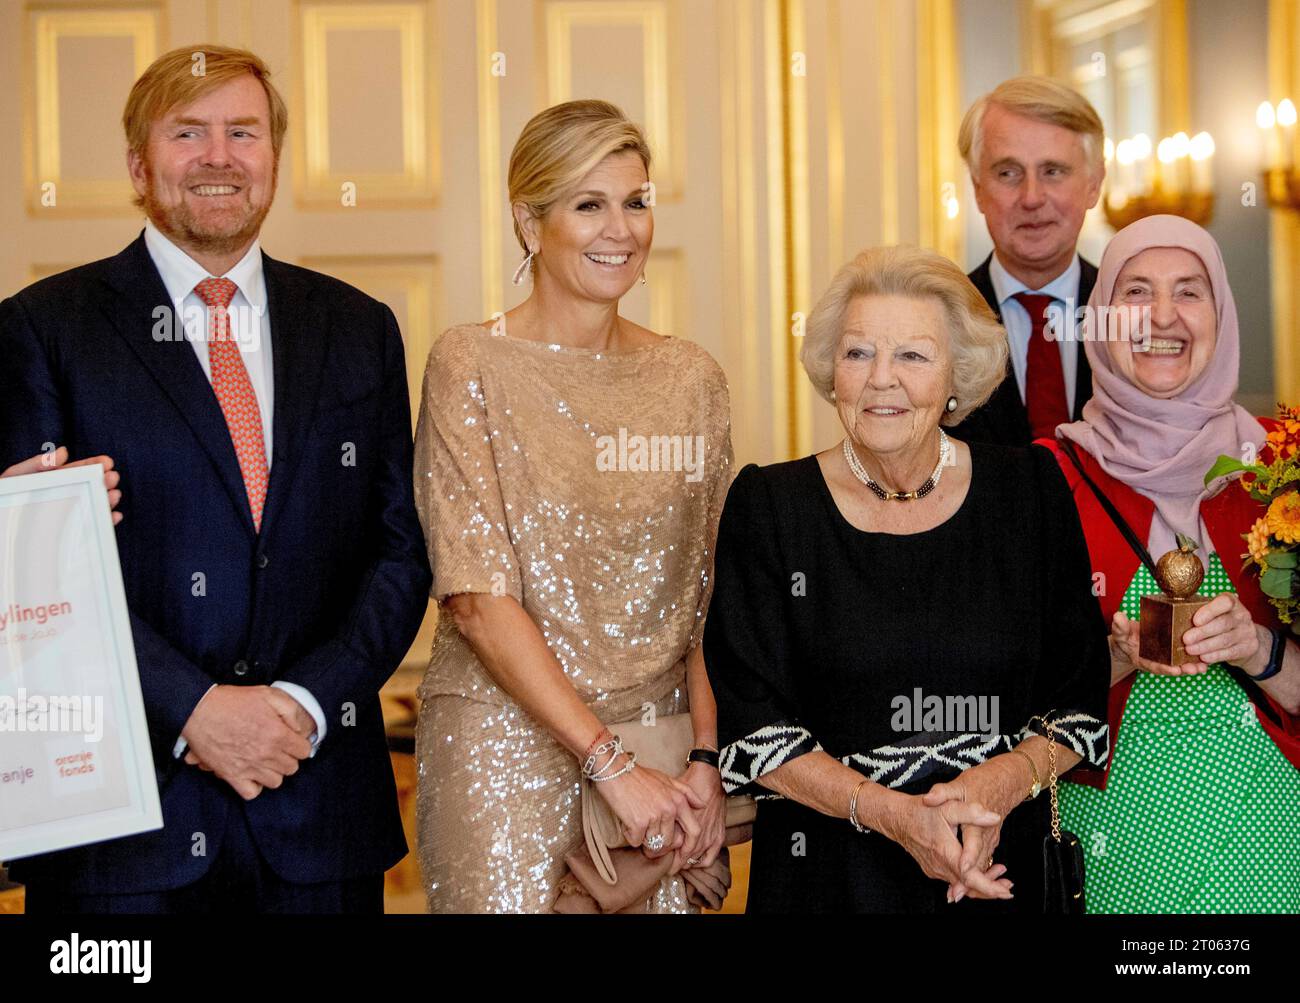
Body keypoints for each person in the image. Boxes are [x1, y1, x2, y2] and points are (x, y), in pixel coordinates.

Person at [0, 45, 431, 913]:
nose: (219, 156)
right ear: (137, 164)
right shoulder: (40, 330)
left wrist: (302, 707)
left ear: (274, 156)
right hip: (122, 834)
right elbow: (32, 570)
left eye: (244, 131)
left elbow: (402, 552)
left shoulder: (359, 329)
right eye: (187, 132)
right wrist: (193, 707)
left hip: (318, 817)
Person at [704, 244, 1110, 913]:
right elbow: (753, 726)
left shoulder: (1029, 493)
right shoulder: (771, 508)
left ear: (958, 375)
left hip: (998, 868)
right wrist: (892, 814)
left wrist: (997, 787)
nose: (881, 379)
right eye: (859, 353)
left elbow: (1080, 699)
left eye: (913, 356)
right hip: (828, 882)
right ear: (832, 372)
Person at [412, 100, 733, 913]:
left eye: (636, 201)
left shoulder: (692, 379)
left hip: (661, 758)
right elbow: (477, 598)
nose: (619, 230)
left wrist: (705, 757)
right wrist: (605, 764)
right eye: (588, 204)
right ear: (530, 222)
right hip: (503, 747)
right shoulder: (468, 364)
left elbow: (712, 597)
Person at [1039, 215, 1300, 912]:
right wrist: (1116, 659)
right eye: (1135, 292)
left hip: (1273, 839)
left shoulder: (1283, 466)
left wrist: (1259, 647)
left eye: (1189, 291)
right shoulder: (1044, 479)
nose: (1162, 316)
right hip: (1119, 848)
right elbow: (1004, 704)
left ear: (1221, 312)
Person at [952, 76, 1104, 446]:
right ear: (977, 191)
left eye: (1053, 171)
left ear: (1094, 184)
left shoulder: (1136, 316)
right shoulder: (940, 321)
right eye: (1008, 173)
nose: (1032, 197)